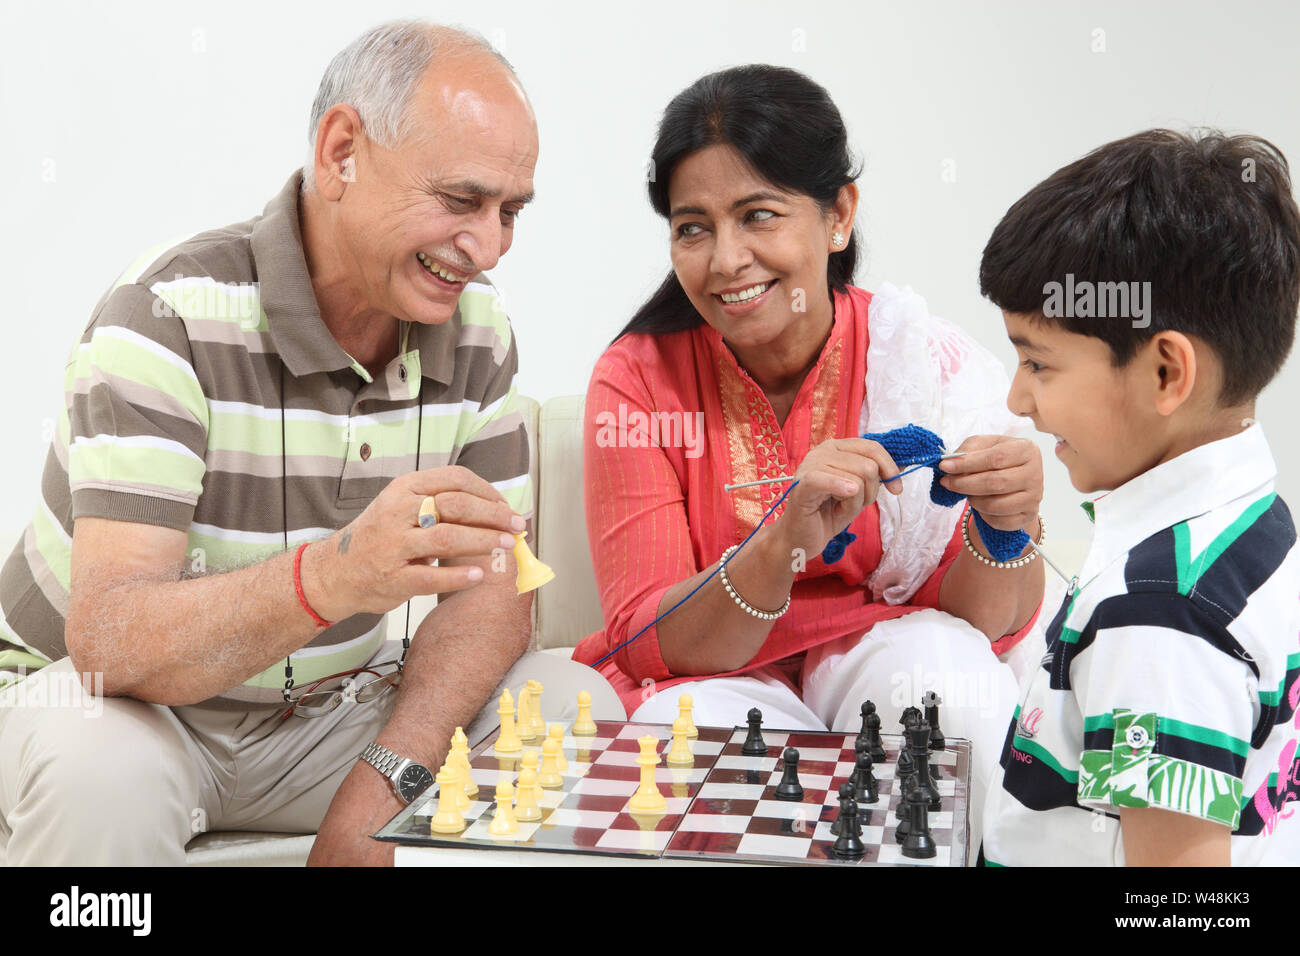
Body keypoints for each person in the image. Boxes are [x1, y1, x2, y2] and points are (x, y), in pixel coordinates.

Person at [0, 20, 620, 867]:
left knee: (568, 703)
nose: (488, 249)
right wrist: (340, 572)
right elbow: (110, 642)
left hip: (324, 711)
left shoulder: (477, 330)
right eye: (460, 200)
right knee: (99, 773)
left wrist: (381, 781)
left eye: (510, 212)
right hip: (112, 705)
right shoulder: (169, 315)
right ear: (341, 152)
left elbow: (492, 592)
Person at [573, 65, 1047, 848]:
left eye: (758, 215)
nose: (726, 259)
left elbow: (979, 623)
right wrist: (778, 543)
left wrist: (1007, 528)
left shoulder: (922, 360)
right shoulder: (636, 379)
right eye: (693, 227)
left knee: (950, 685)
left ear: (838, 216)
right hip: (722, 674)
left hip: (883, 644)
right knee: (691, 745)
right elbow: (648, 635)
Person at [978, 129, 1300, 866]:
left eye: (1038, 362)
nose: (1018, 398)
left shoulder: (1158, 612)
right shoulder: (1249, 520)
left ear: (1164, 373)